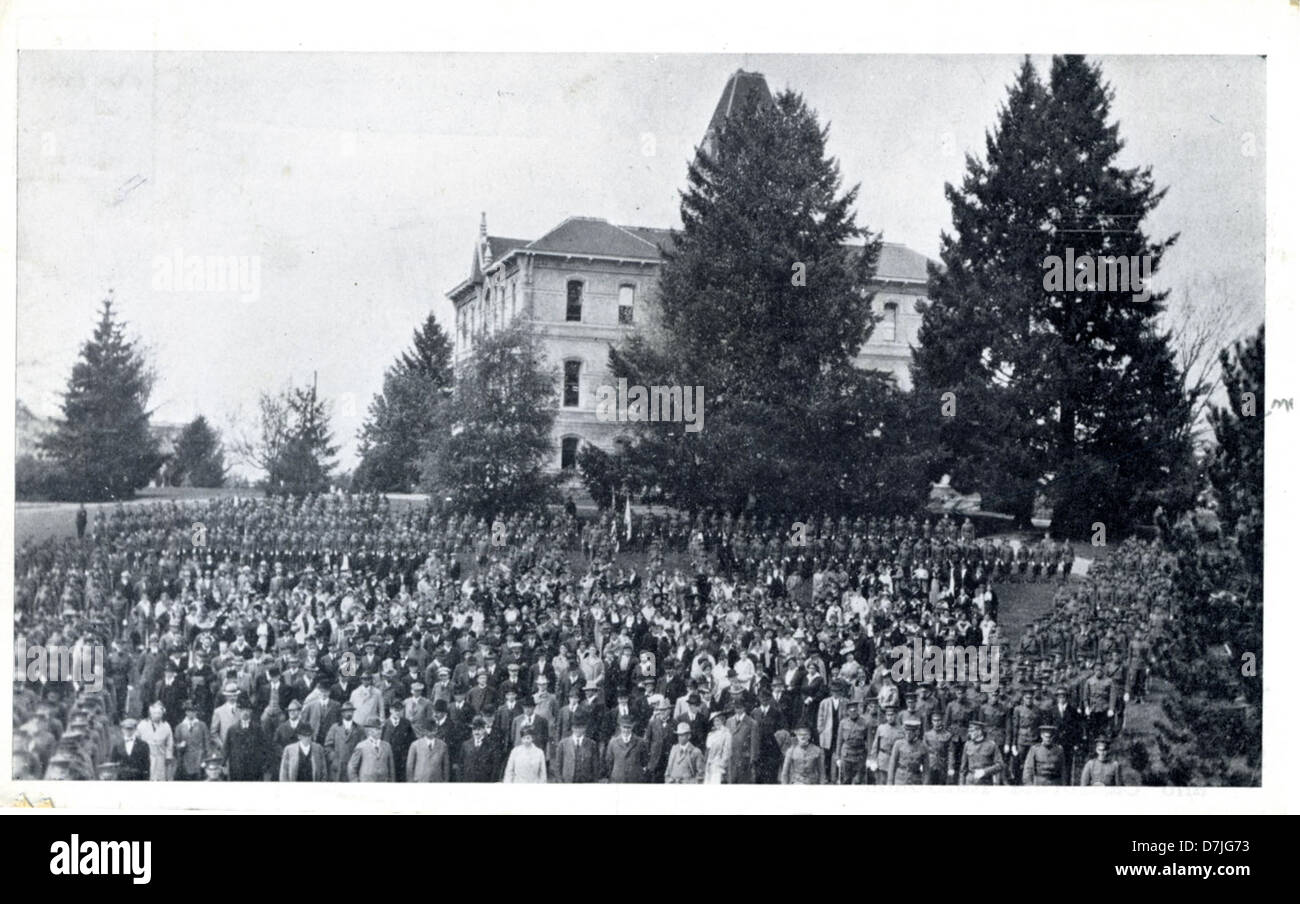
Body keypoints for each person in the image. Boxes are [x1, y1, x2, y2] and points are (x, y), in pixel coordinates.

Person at [224, 693, 269, 781]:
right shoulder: (232, 730)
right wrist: (223, 764)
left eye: (247, 710)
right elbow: (226, 748)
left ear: (251, 711)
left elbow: (264, 748)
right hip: (237, 769)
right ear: (238, 711)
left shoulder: (257, 729)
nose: (244, 713)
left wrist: (263, 764)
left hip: (254, 769)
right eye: (242, 710)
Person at [553, 714, 599, 783]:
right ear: (572, 728)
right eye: (575, 727)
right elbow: (558, 765)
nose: (578, 730)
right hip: (568, 780)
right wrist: (560, 781)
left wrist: (594, 782)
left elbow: (595, 766)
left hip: (586, 781)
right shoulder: (563, 744)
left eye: (581, 728)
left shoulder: (591, 744)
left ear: (585, 728)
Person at [324, 702, 363, 781]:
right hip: (337, 767)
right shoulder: (335, 728)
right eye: (346, 711)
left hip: (353, 766)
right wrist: (334, 758)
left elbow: (363, 747)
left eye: (351, 711)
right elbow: (327, 746)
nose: (349, 713)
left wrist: (356, 760)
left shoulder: (359, 729)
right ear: (342, 713)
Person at [348, 717, 396, 782]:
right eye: (377, 729)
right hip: (366, 783)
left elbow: (391, 768)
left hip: (383, 783)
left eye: (381, 729)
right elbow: (351, 767)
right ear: (369, 731)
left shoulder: (387, 746)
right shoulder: (361, 746)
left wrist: (391, 782)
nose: (380, 731)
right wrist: (356, 783)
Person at [137, 701, 175, 781]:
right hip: (147, 756)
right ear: (150, 714)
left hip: (160, 756)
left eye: (159, 714)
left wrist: (168, 756)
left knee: (160, 777)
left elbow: (169, 743)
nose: (157, 716)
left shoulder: (166, 726)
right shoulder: (142, 724)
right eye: (155, 714)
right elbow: (137, 739)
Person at [958, 720, 1003, 786]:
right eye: (969, 731)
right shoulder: (967, 745)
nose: (969, 733)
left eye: (972, 731)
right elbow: (963, 769)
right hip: (970, 781)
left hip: (985, 781)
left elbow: (1000, 765)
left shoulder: (991, 745)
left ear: (979, 731)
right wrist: (961, 784)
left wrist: (984, 771)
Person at [604, 714, 647, 783]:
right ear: (620, 727)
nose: (626, 730)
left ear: (632, 727)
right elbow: (609, 761)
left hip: (635, 779)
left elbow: (644, 760)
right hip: (617, 778)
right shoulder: (613, 742)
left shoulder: (640, 742)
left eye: (628, 727)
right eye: (624, 727)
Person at [174, 699, 210, 781]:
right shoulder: (179, 727)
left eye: (193, 711)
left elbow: (207, 744)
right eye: (189, 711)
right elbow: (176, 745)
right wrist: (180, 746)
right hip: (185, 762)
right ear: (185, 712)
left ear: (196, 712)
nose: (191, 713)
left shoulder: (202, 725)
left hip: (199, 760)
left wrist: (206, 759)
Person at [887, 716, 929, 785]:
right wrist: (890, 782)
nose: (908, 735)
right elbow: (892, 765)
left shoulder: (923, 746)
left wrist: (925, 785)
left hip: (915, 781)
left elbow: (926, 770)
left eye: (911, 732)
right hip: (900, 780)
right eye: (906, 731)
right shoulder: (898, 744)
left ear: (916, 732)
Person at [459, 716, 499, 782]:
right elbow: (461, 765)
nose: (476, 732)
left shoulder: (491, 746)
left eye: (479, 729)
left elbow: (495, 768)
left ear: (484, 729)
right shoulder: (465, 745)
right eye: (474, 729)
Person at [704, 710, 731, 784]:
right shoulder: (711, 734)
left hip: (719, 766)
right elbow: (708, 751)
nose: (717, 723)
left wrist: (721, 765)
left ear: (722, 721)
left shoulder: (726, 734)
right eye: (715, 721)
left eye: (718, 720)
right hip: (709, 765)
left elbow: (727, 752)